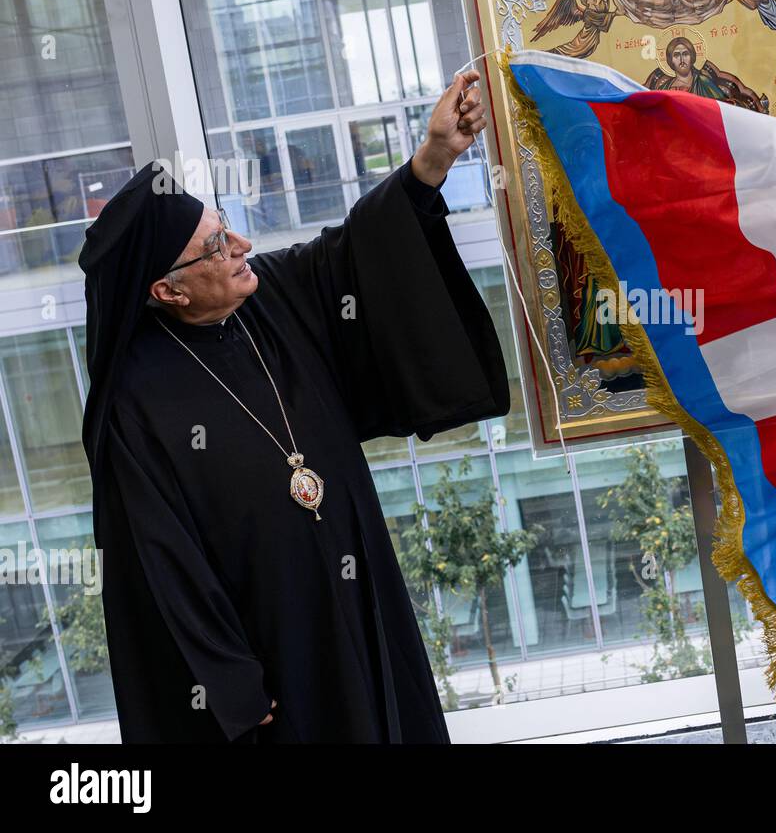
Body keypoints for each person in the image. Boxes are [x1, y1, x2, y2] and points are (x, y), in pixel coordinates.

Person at [79, 69, 510, 743]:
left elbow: (361, 248)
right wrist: (229, 685)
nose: (241, 247)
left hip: (359, 584)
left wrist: (433, 159)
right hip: (275, 642)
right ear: (168, 293)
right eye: (215, 249)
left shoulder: (272, 293)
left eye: (227, 228)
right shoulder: (136, 403)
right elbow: (161, 565)